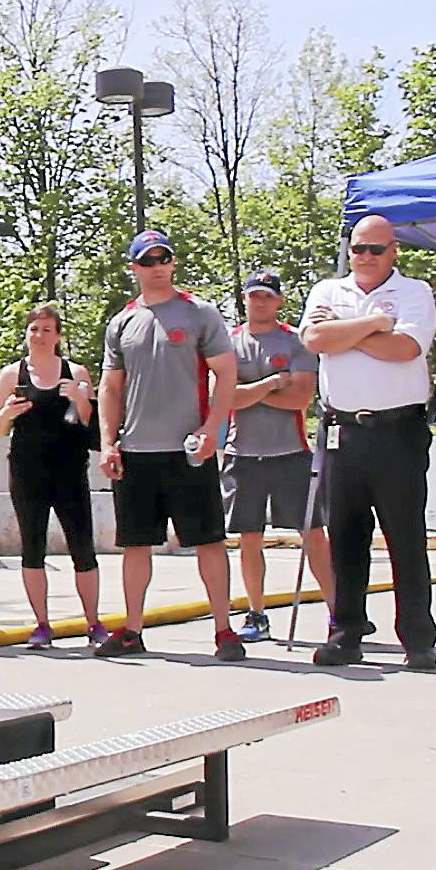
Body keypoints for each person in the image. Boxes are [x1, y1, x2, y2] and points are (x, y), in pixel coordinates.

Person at [95, 230, 244, 661]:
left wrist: (212, 429)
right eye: (148, 260)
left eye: (164, 258)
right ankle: (132, 629)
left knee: (208, 541)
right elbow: (110, 387)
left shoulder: (200, 313)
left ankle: (224, 630)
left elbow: (226, 374)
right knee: (135, 544)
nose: (158, 266)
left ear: (173, 263)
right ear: (134, 268)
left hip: (189, 451)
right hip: (136, 452)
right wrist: (108, 443)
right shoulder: (122, 322)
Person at [300, 215, 436, 669]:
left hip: (398, 431)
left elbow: (405, 349)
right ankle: (346, 633)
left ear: (393, 251)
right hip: (343, 431)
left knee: (405, 537)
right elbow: (314, 339)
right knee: (345, 537)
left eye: (375, 249)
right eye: (357, 248)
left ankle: (417, 638)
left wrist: (345, 331)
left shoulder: (414, 292)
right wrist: (374, 324)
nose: (364, 257)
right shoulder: (328, 291)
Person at [223, 268, 334, 643]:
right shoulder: (229, 342)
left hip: (290, 453)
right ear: (244, 299)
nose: (260, 302)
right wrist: (272, 382)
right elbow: (224, 397)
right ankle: (256, 614)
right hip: (242, 455)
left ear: (279, 301)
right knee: (249, 539)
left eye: (267, 296)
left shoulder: (295, 341)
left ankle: (338, 614)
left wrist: (248, 391)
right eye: (254, 295)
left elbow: (299, 398)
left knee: (313, 535)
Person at [0, 304, 104, 649]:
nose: (39, 336)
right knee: (32, 546)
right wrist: (7, 413)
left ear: (58, 336)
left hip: (70, 470)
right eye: (34, 329)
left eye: (47, 330)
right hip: (28, 471)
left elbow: (92, 424)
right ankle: (41, 624)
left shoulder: (76, 372)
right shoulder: (11, 375)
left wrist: (80, 398)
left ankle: (94, 622)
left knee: (82, 547)